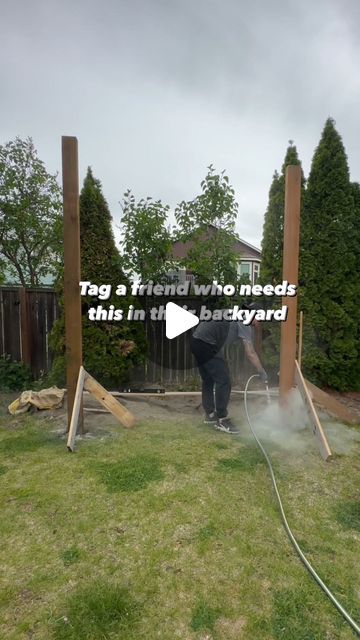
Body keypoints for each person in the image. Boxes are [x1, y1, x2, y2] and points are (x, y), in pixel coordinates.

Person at [190, 313, 268, 434]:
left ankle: (210, 415)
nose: (260, 323)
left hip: (196, 341)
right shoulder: (244, 323)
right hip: (207, 344)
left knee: (208, 380)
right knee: (224, 381)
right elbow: (250, 353)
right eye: (259, 319)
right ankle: (222, 419)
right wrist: (261, 371)